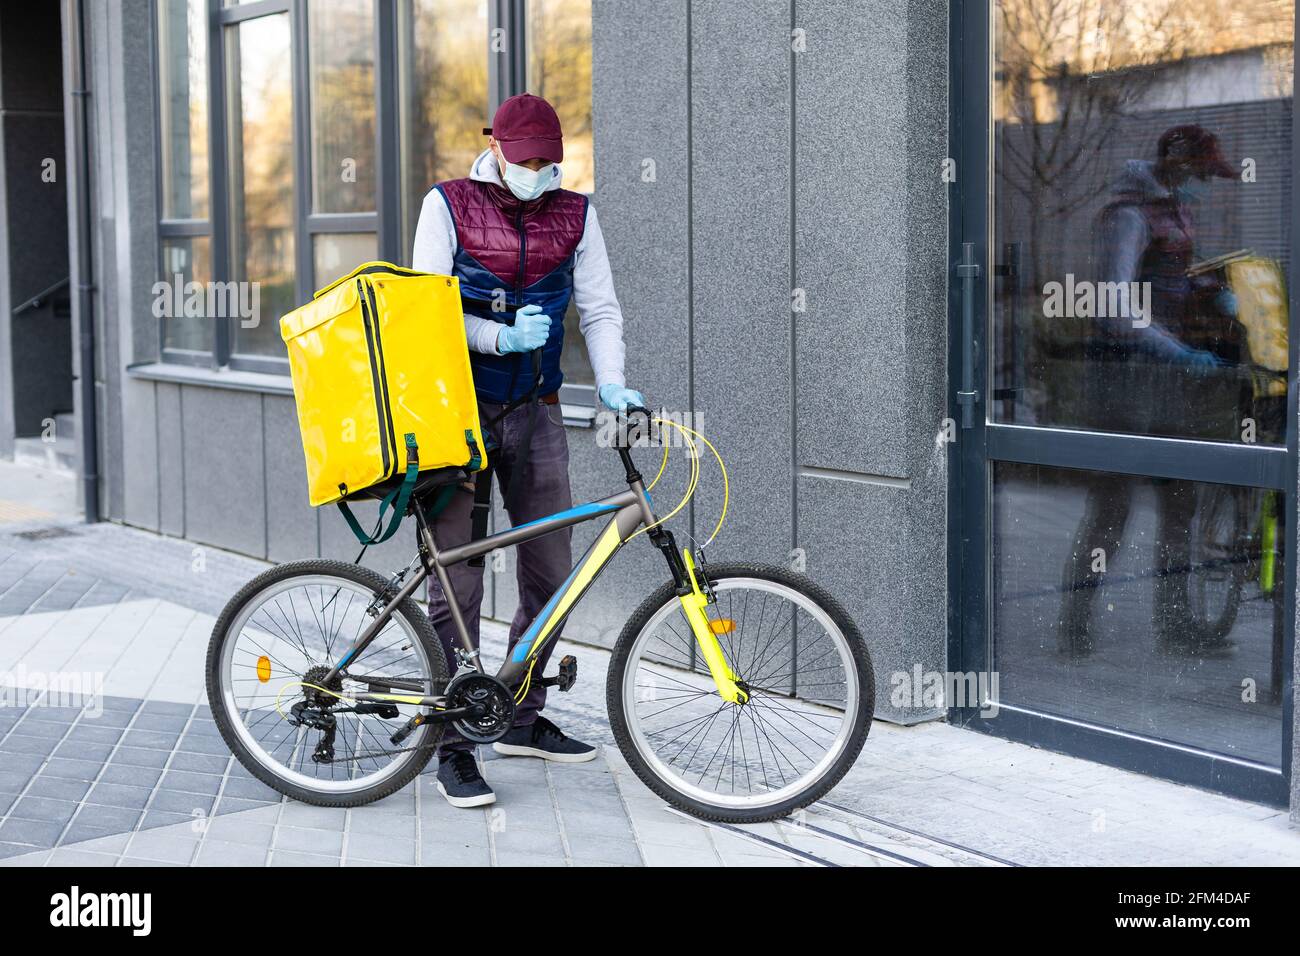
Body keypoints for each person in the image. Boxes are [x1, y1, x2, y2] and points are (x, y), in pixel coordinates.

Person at [412, 93, 644, 807]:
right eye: (527, 161)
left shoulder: (577, 214)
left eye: (550, 162)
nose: (539, 172)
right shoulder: (446, 205)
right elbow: (428, 311)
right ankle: (452, 744)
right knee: (460, 582)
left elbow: (600, 308)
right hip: (457, 414)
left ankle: (521, 713)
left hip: (537, 412)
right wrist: (496, 338)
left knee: (552, 569)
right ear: (498, 150)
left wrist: (612, 385)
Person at [1057, 124, 1240, 660]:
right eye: (1200, 174)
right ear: (1177, 167)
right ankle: (1075, 622)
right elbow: (1115, 307)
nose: (1204, 185)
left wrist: (1209, 291)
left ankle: (1176, 624)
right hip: (1123, 380)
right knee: (1112, 508)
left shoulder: (1174, 211)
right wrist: (1176, 352)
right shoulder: (1129, 215)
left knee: (1179, 503)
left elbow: (1167, 280)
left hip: (1165, 384)